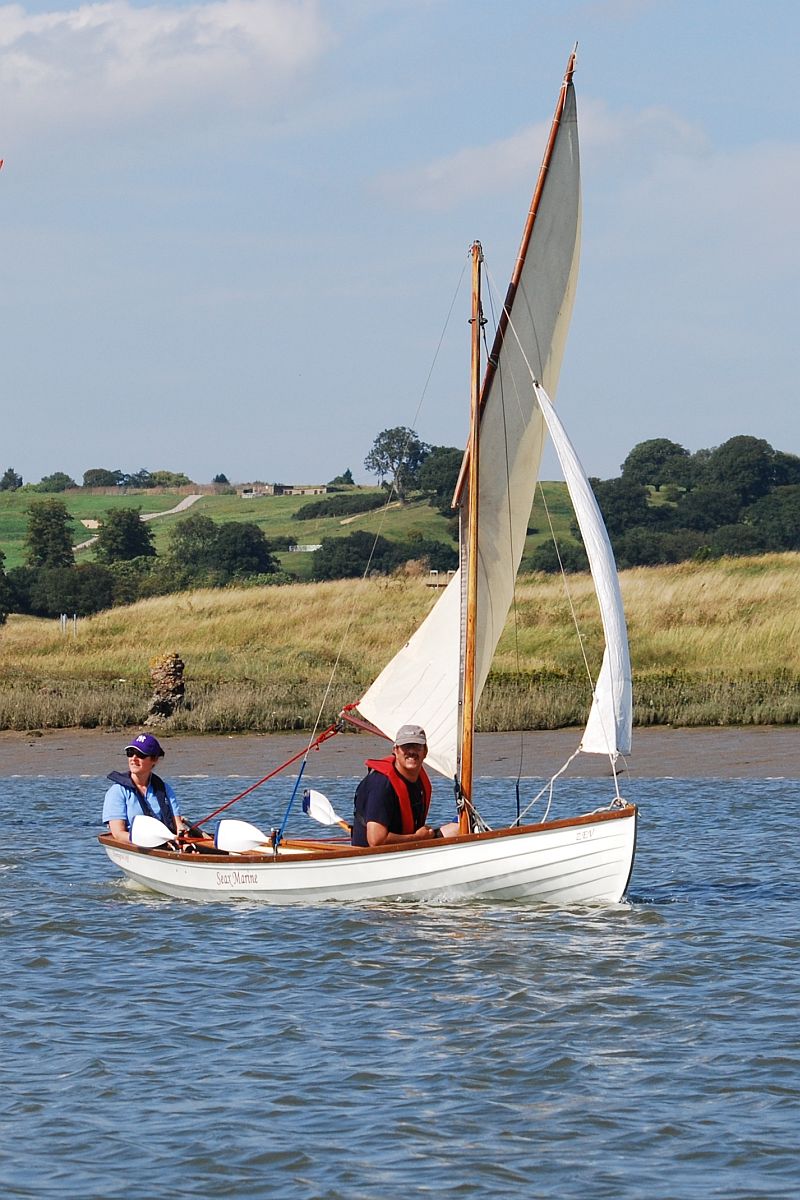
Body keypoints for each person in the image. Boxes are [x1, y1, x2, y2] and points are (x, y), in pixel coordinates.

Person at [351, 724, 458, 847]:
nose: (411, 751)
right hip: (373, 857)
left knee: (459, 828)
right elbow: (376, 841)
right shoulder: (381, 784)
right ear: (395, 750)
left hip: (406, 848)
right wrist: (418, 838)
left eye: (417, 746)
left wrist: (423, 837)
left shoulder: (419, 781)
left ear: (425, 751)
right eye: (406, 747)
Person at [102, 732, 191, 842]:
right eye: (130, 753)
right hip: (136, 844)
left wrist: (182, 835)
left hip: (166, 843)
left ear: (154, 760)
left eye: (140, 755)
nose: (133, 758)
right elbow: (118, 834)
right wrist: (146, 841)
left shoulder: (165, 789)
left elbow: (178, 826)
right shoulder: (117, 792)